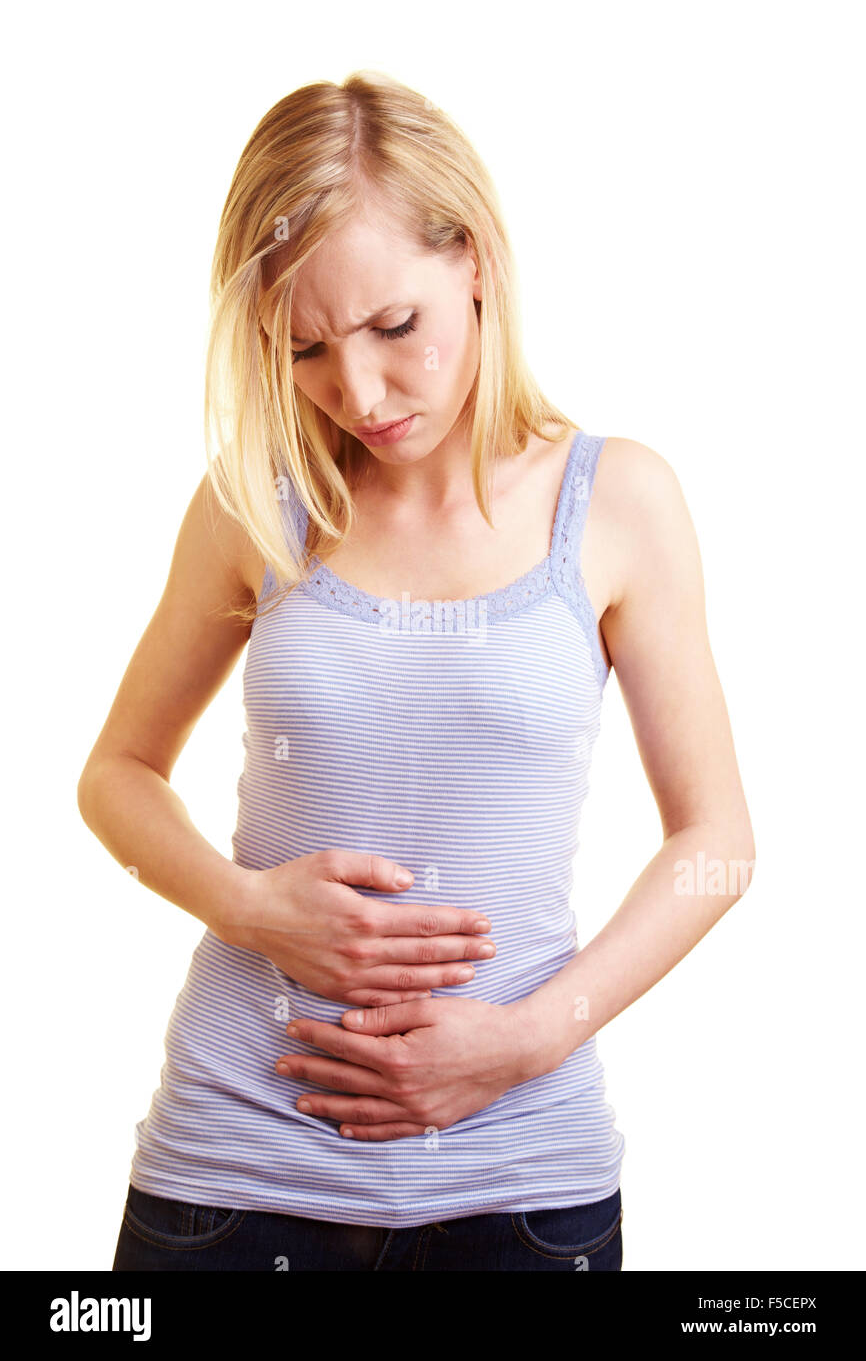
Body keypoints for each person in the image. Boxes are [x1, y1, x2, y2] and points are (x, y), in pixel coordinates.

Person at [78, 70, 755, 1272]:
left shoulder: (616, 506)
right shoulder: (256, 505)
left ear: (476, 261)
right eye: (307, 351)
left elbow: (714, 843)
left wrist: (529, 1038)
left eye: (395, 327)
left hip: (518, 1188)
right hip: (230, 1177)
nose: (361, 392)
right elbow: (116, 776)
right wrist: (246, 905)